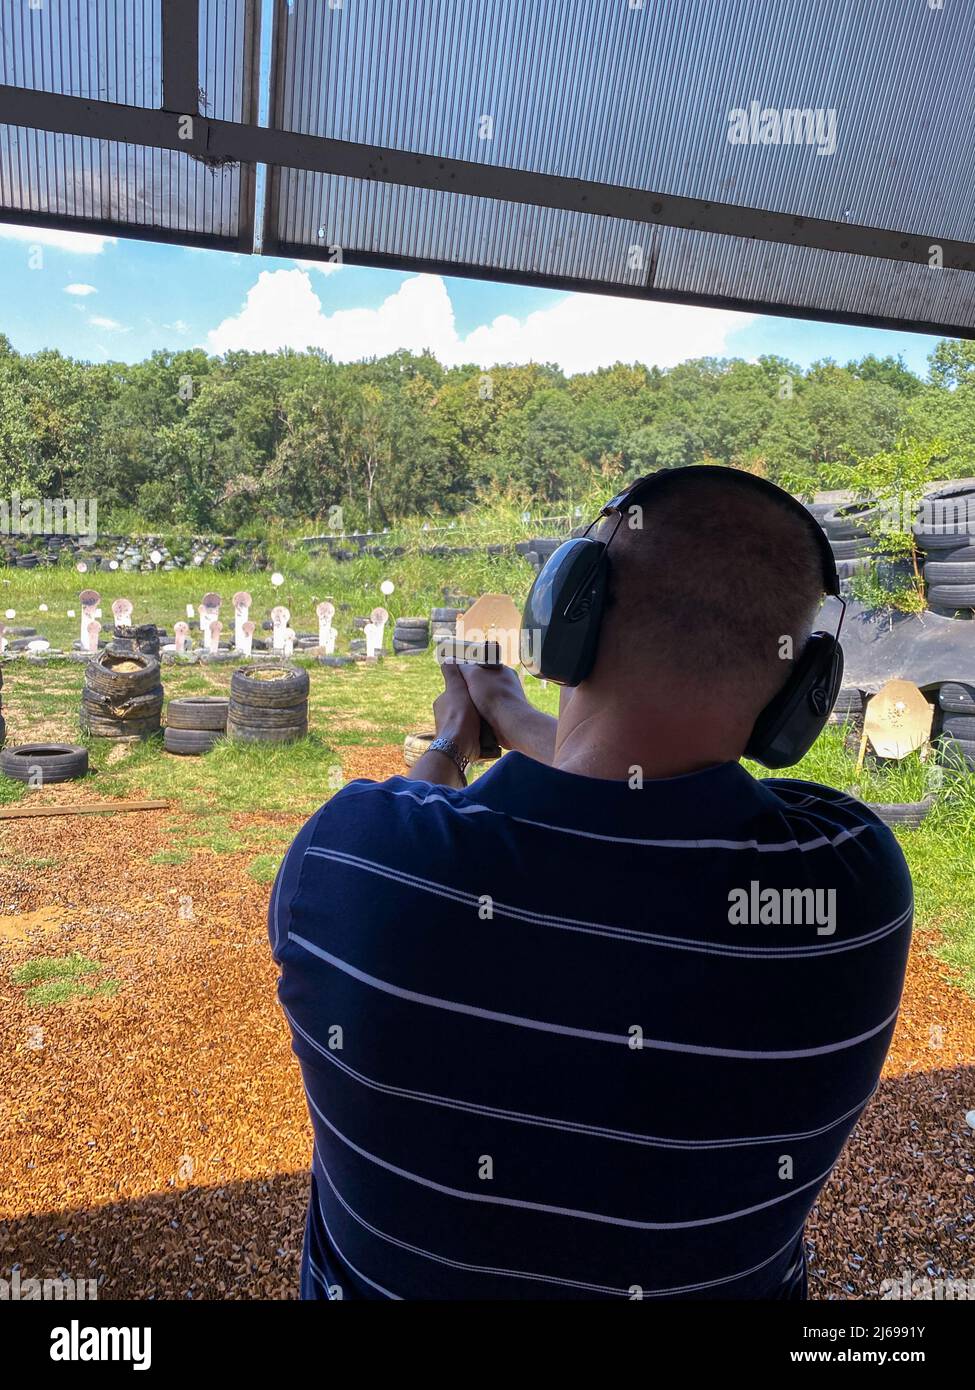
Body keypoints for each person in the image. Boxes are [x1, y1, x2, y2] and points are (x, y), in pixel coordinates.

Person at [269, 469, 912, 1300]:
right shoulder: (854, 882)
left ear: (563, 613)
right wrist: (517, 718)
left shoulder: (348, 855)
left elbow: (440, 808)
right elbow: (644, 784)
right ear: (801, 688)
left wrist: (455, 742)